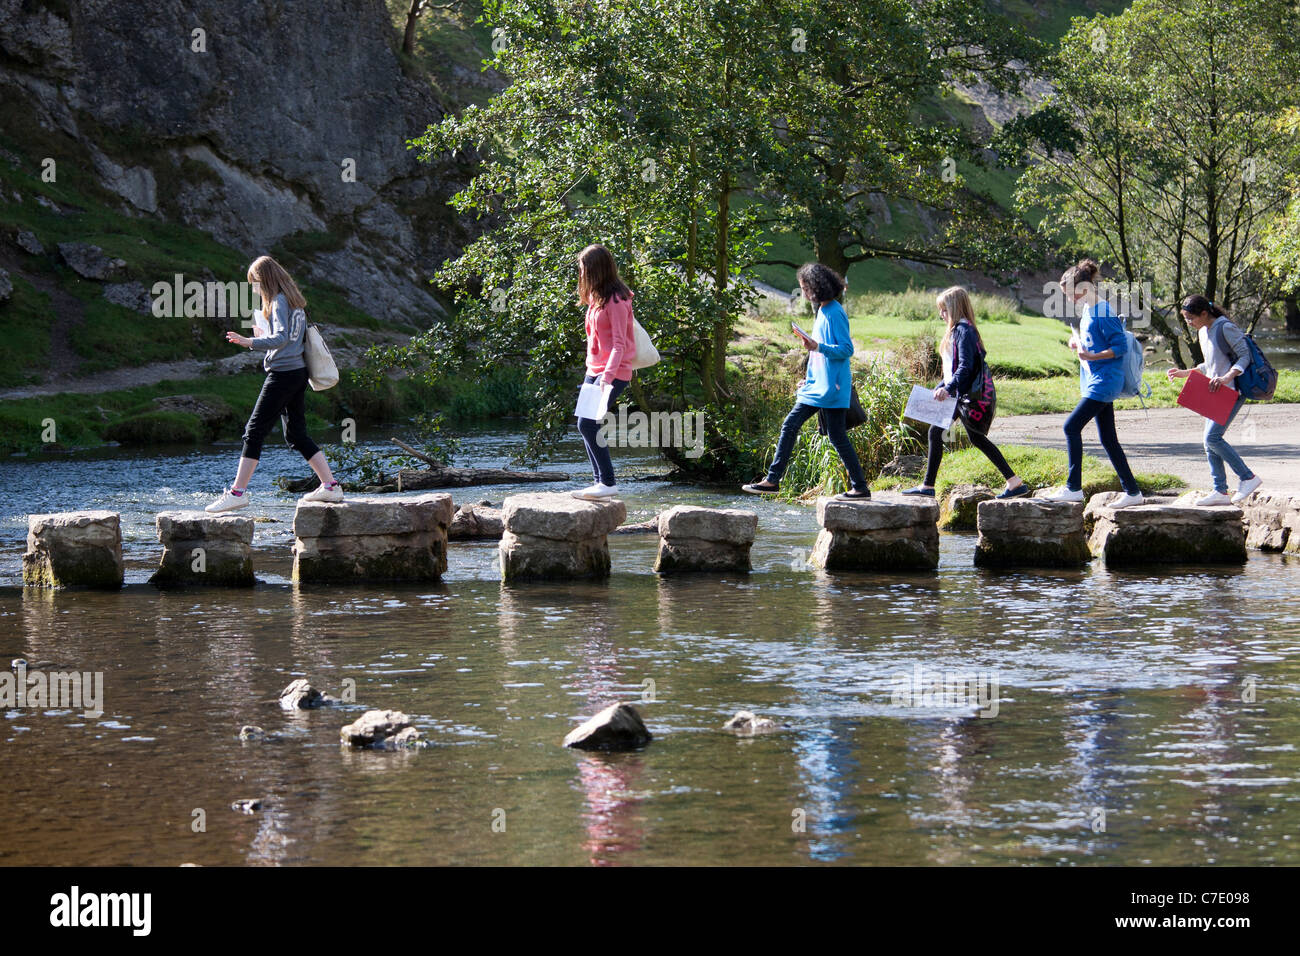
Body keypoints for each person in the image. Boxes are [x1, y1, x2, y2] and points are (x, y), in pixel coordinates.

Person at [206, 255, 342, 513]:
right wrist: (263, 334)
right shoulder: (294, 301)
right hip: (297, 373)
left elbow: (280, 338)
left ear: (265, 280)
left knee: (253, 431)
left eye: (255, 282)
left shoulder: (278, 301)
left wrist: (250, 341)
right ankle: (331, 486)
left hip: (282, 375)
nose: (254, 288)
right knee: (297, 435)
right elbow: (288, 338)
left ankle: (237, 493)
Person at [742, 263, 870, 500]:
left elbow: (846, 349)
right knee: (829, 434)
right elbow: (817, 357)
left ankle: (773, 480)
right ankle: (859, 487)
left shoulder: (834, 311)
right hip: (818, 386)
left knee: (803, 428)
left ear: (817, 286)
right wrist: (808, 380)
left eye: (804, 287)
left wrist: (817, 345)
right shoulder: (822, 310)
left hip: (832, 388)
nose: (802, 293)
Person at [902, 286, 1028, 499]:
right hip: (960, 393)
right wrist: (941, 386)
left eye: (943, 310)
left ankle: (929, 486)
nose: (941, 314)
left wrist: (948, 389)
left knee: (946, 433)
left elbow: (966, 368)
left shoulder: (963, 331)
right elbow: (955, 368)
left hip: (964, 396)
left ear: (953, 308)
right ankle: (1013, 482)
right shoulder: (961, 330)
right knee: (960, 435)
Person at [1043, 259, 1143, 507]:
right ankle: (1133, 492)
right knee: (1108, 439)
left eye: (1070, 294)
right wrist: (1075, 342)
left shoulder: (1104, 312)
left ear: (1084, 288)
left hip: (1105, 382)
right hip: (1096, 381)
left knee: (1070, 427)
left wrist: (1092, 356)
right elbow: (1093, 338)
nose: (1068, 299)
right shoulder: (1089, 310)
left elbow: (1119, 347)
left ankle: (1073, 488)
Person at [1166, 295, 1263, 505]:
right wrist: (1185, 372)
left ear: (1204, 313)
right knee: (1208, 441)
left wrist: (1228, 376)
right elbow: (1211, 365)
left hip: (1232, 390)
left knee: (1212, 438)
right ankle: (1220, 491)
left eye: (1191, 318)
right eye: (1186, 319)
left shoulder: (1224, 327)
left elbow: (1244, 355)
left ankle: (1248, 477)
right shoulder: (1203, 332)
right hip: (1215, 391)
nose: (1189, 323)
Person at [572, 243, 634, 501]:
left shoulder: (617, 300)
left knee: (588, 424)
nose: (581, 272)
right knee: (584, 424)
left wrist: (606, 378)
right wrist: (591, 372)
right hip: (595, 370)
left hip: (614, 372)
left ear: (596, 269)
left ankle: (607, 482)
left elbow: (619, 344)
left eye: (584, 268)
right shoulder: (596, 297)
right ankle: (600, 481)